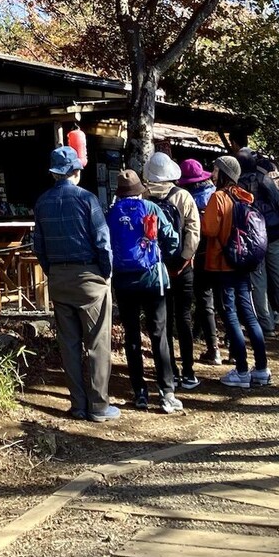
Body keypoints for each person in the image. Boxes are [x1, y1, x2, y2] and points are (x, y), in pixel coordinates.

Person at [32, 145, 119, 422]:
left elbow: (40, 247)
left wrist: (52, 272)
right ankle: (99, 406)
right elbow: (103, 242)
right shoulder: (87, 199)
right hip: (89, 278)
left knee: (68, 344)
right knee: (97, 343)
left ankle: (78, 405)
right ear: (75, 172)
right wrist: (106, 274)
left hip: (58, 278)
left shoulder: (42, 202)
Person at [107, 169, 184, 414]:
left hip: (124, 282)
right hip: (153, 280)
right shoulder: (151, 209)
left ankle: (139, 392)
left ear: (119, 193)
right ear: (140, 189)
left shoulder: (111, 214)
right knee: (159, 334)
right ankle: (166, 392)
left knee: (132, 336)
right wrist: (161, 255)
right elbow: (172, 240)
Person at [202, 155, 270, 389]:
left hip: (224, 263)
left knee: (230, 314)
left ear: (224, 173)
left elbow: (210, 229)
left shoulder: (218, 197)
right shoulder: (245, 196)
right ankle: (261, 369)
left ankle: (241, 370)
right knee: (249, 314)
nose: (212, 173)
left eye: (215, 169)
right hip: (244, 263)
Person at [144, 152, 202, 389]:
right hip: (183, 267)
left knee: (162, 321)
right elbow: (193, 232)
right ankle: (188, 371)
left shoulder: (144, 197)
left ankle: (169, 372)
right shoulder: (184, 196)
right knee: (184, 317)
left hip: (156, 268)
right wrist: (184, 260)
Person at [239, 148, 279, 340]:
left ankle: (266, 326)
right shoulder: (267, 178)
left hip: (252, 239)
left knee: (258, 282)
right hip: (274, 234)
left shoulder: (238, 184)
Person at [180, 157, 224, 367]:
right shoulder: (216, 195)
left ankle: (213, 349)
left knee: (205, 301)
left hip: (200, 256)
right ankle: (234, 350)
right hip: (223, 256)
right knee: (225, 301)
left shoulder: (186, 200)